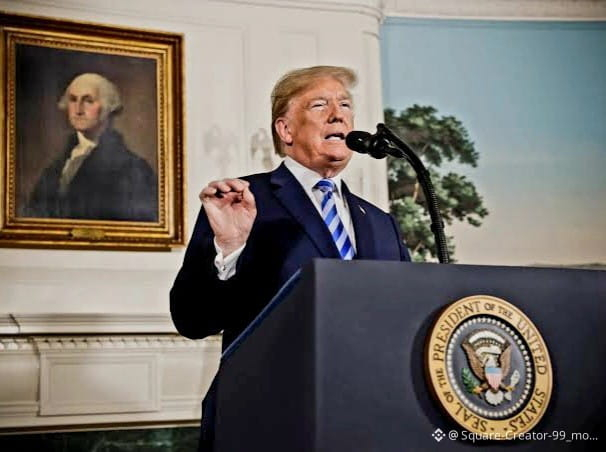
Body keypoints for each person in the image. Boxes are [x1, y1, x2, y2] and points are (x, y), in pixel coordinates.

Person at [170, 65, 411, 451]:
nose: (338, 115)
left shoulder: (381, 223)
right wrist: (230, 248)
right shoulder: (241, 201)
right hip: (267, 420)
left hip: (366, 418)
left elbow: (404, 318)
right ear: (285, 130)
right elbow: (193, 319)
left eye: (345, 105)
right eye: (320, 105)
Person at [25, 73, 157, 221]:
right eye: (73, 100)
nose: (78, 109)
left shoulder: (134, 169)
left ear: (107, 107)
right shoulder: (55, 168)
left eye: (88, 101)